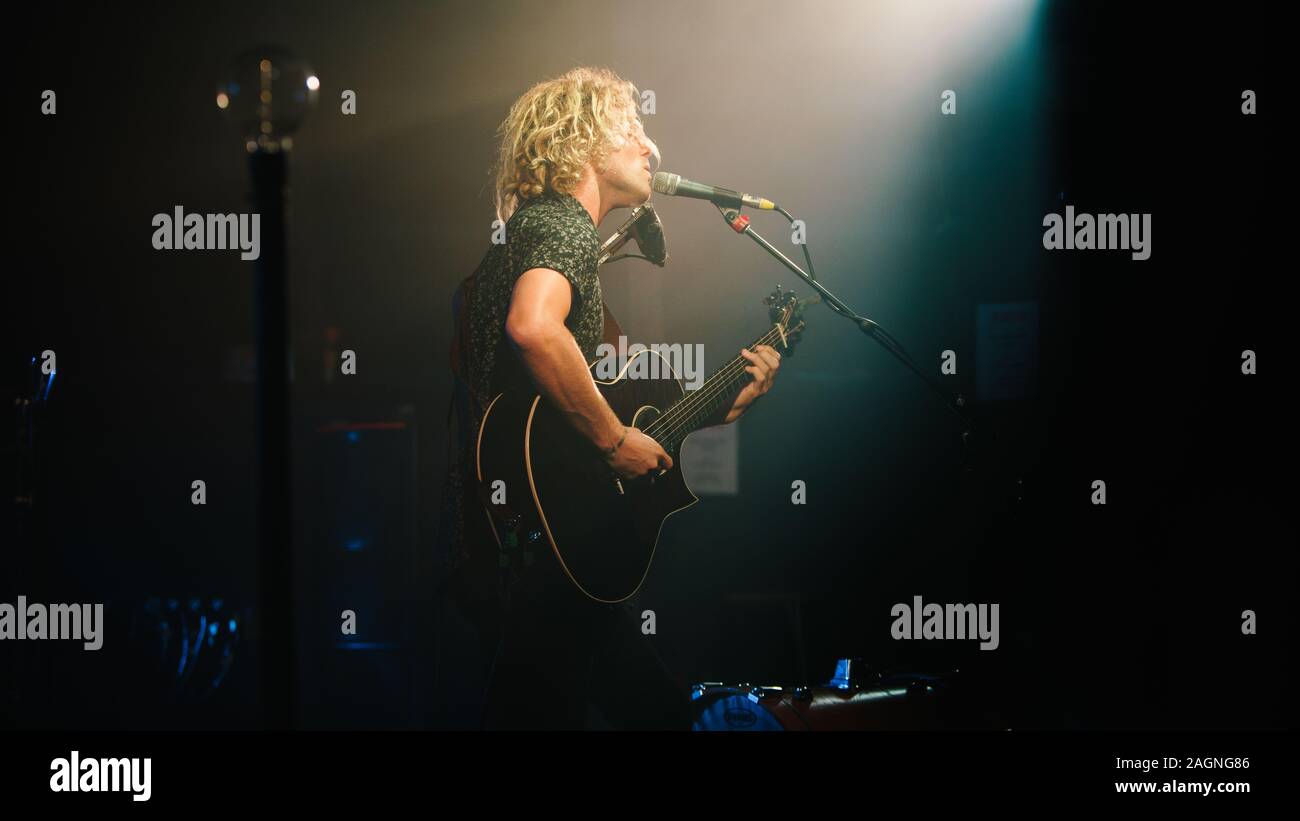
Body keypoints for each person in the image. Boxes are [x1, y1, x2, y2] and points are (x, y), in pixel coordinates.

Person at [435, 66, 782, 729]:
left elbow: (562, 395)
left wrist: (733, 394)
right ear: (581, 141)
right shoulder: (564, 224)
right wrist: (615, 440)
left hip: (514, 550)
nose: (651, 148)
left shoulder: (536, 229)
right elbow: (533, 328)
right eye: (632, 129)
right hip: (542, 559)